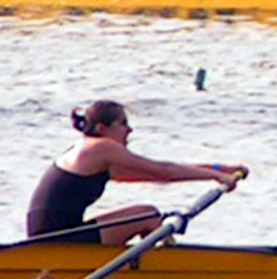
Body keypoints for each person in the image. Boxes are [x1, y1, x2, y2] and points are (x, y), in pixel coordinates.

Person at [26, 99, 248, 244]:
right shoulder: (102, 148)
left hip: (51, 234)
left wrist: (220, 169)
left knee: (148, 215)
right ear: (103, 129)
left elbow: (159, 174)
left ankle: (153, 265)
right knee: (148, 215)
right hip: (54, 240)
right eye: (123, 123)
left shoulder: (91, 152)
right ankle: (168, 269)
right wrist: (216, 176)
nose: (130, 129)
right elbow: (164, 172)